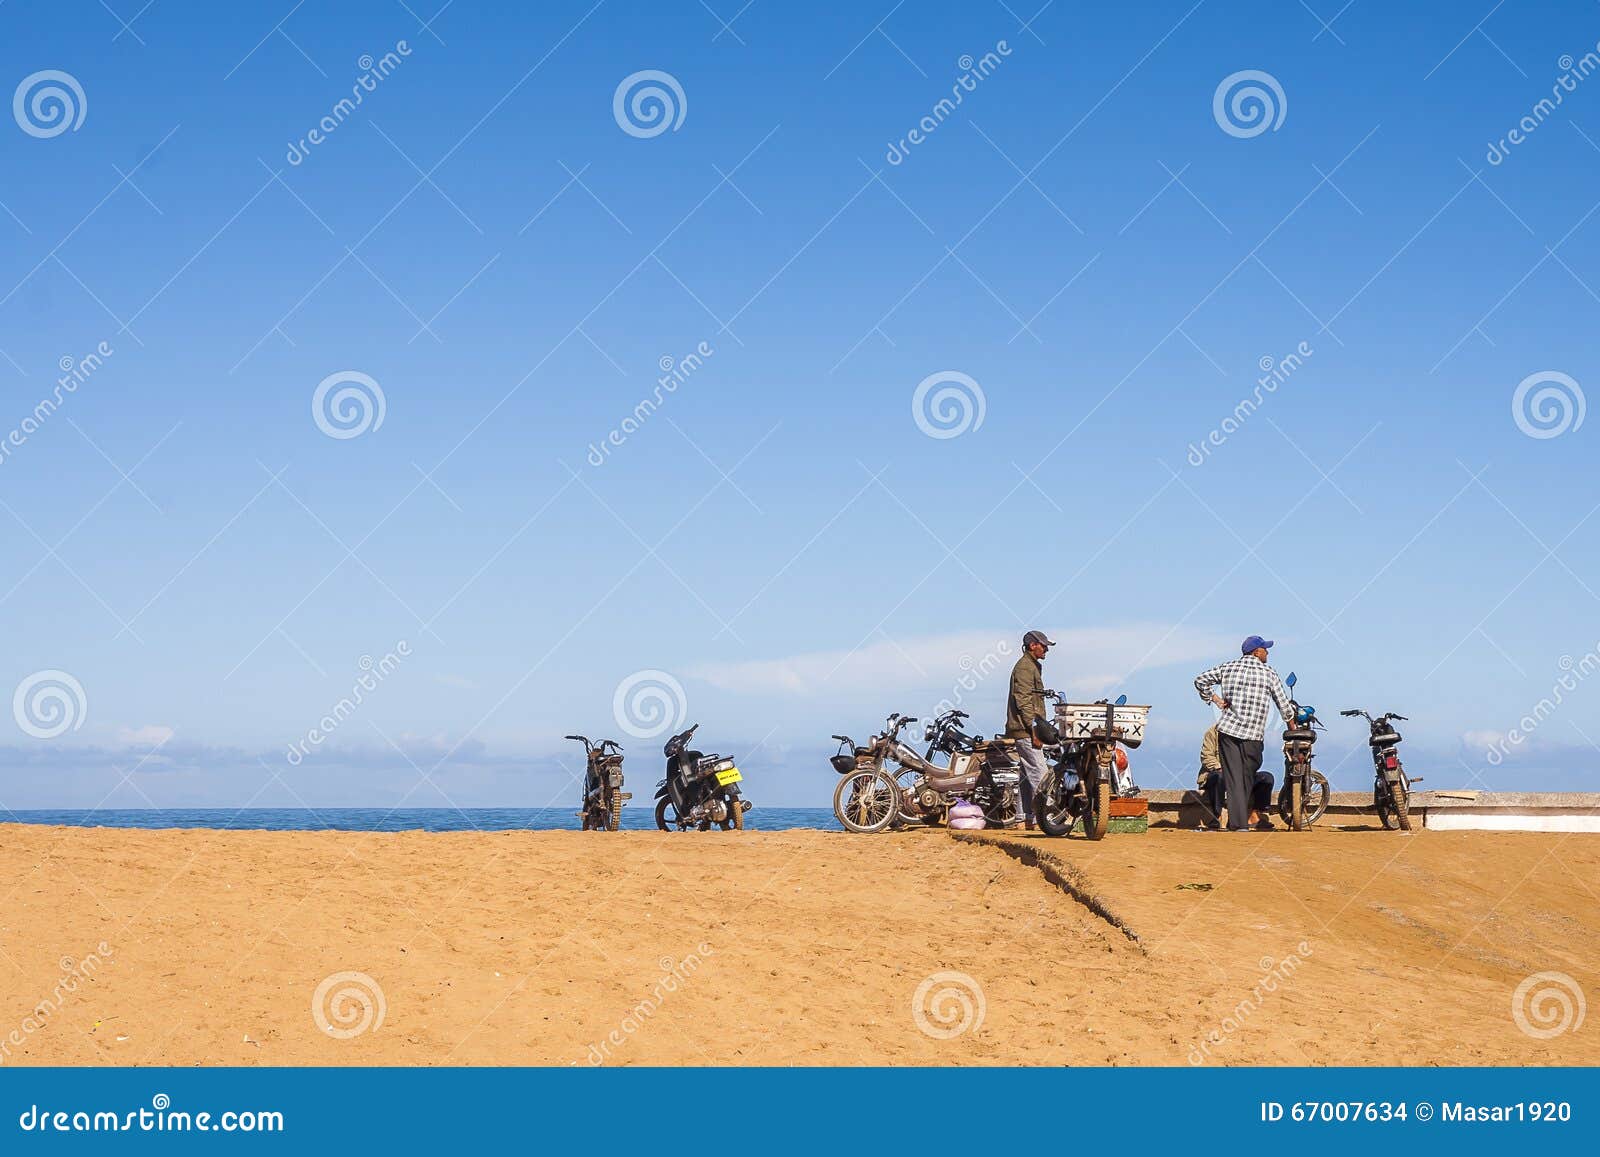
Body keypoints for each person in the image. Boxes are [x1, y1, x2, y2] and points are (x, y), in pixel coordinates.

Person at [1192, 635, 1295, 832]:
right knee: (1246, 776)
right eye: (1265, 649)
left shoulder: (1228, 667)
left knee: (1234, 778)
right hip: (1253, 736)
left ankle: (1237, 822)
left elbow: (1200, 681)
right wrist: (1292, 727)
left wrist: (1215, 699)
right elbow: (1283, 704)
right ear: (1256, 652)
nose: (1267, 652)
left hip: (1228, 732)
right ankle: (1239, 823)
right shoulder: (1269, 673)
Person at [1005, 629, 1053, 829]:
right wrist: (1035, 731)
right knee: (1041, 775)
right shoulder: (1025, 667)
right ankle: (1048, 818)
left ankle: (1024, 818)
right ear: (1033, 645)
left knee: (1026, 776)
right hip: (1026, 730)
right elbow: (1023, 702)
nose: (1046, 650)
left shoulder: (1031, 666)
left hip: (1024, 728)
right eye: (1044, 646)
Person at [1196, 723, 1274, 830]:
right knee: (1219, 777)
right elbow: (1206, 757)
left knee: (1266, 778)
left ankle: (1253, 816)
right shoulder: (1213, 732)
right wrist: (1223, 769)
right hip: (1217, 773)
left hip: (1242, 775)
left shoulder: (1250, 732)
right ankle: (1216, 817)